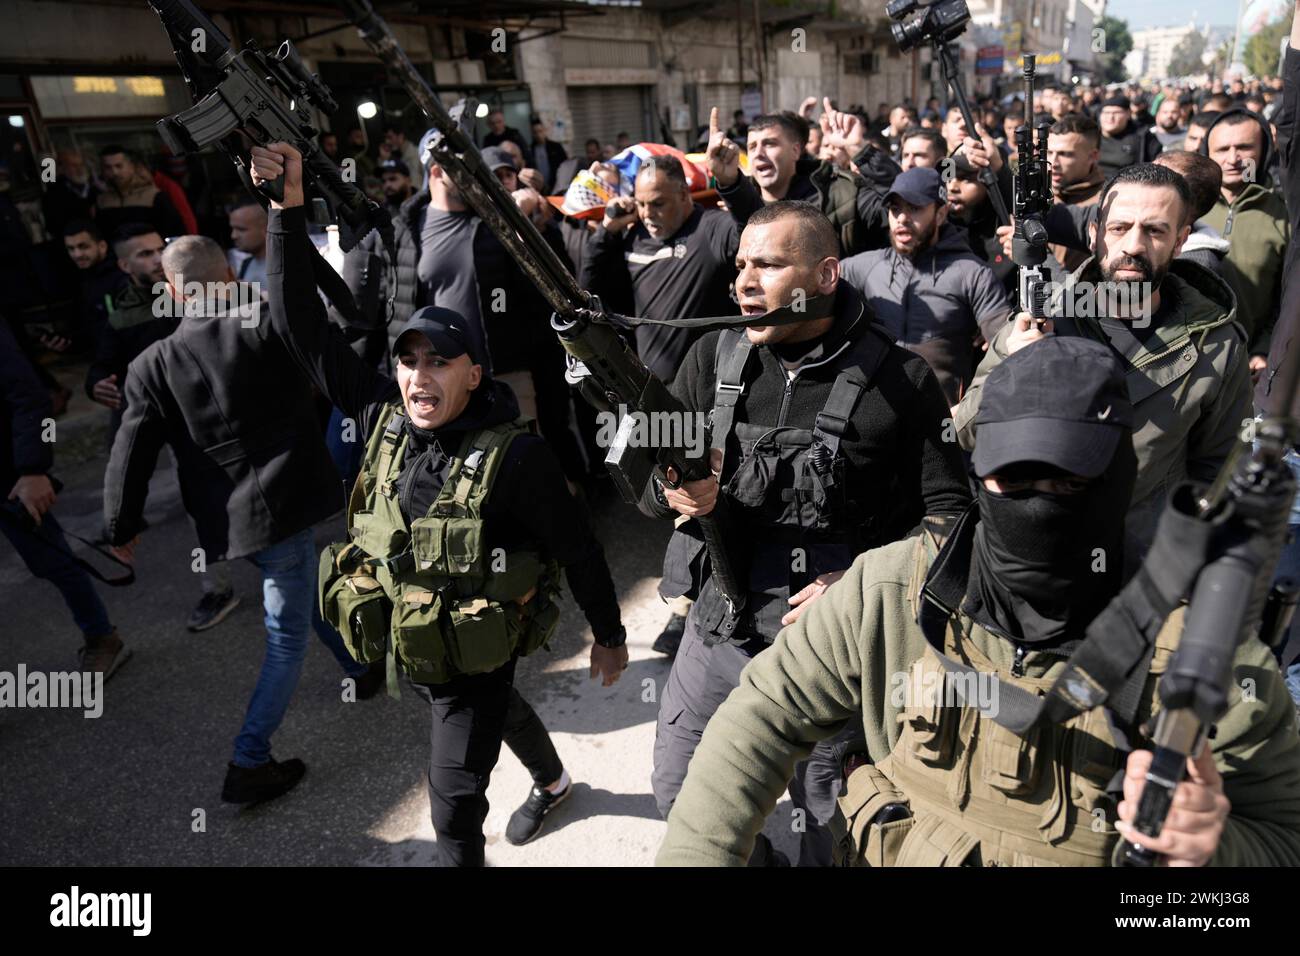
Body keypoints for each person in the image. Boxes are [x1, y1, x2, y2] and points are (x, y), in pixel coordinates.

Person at [656, 334, 1300, 867]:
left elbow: (1282, 837)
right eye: (1012, 477)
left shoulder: (1206, 658)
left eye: (1071, 478)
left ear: (1120, 476)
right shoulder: (889, 591)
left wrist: (1213, 848)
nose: (1039, 499)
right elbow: (762, 718)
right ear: (977, 473)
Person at [252, 140, 629, 864]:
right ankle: (552, 780)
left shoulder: (516, 455)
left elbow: (577, 544)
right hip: (413, 635)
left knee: (452, 810)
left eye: (438, 361)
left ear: (473, 372)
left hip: (472, 657)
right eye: (407, 359)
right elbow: (301, 323)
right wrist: (284, 210)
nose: (418, 374)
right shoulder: (382, 414)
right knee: (505, 711)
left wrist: (609, 635)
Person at [643, 200, 970, 866]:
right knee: (684, 797)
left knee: (830, 827)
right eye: (740, 265)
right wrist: (672, 488)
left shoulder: (901, 380)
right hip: (721, 627)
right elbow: (646, 486)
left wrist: (861, 582)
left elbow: (952, 514)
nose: (744, 282)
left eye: (768, 264)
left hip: (831, 651)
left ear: (824, 275)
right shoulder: (712, 357)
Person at [102, 233, 374, 806]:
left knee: (294, 587)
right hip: (283, 507)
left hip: (228, 526)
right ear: (227, 276)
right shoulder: (266, 320)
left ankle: (358, 665)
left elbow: (130, 453)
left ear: (173, 292)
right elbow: (342, 329)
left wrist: (120, 528)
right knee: (284, 638)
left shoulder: (151, 363)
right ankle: (249, 760)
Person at [957, 164, 1250, 565]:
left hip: (1140, 570)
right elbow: (966, 434)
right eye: (1119, 228)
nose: (1133, 245)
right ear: (1094, 233)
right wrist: (1015, 370)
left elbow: (1220, 469)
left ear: (1181, 240)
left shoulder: (1215, 345)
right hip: (1031, 561)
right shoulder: (1041, 316)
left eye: (1155, 230)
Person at [579, 154, 741, 657]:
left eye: (660, 204)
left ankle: (692, 606)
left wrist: (732, 182)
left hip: (706, 397)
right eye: (642, 204)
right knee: (662, 496)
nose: (649, 213)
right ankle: (693, 595)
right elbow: (587, 287)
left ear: (685, 196)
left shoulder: (713, 229)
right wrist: (607, 232)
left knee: (698, 494)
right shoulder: (631, 239)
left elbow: (755, 236)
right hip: (646, 398)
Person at [1, 321, 129, 677]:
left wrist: (32, 469)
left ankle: (101, 636)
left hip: (10, 477)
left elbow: (29, 396)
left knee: (52, 560)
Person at [839, 167, 1012, 406]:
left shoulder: (972, 274)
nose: (901, 219)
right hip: (876, 422)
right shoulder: (863, 267)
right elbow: (814, 288)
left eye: (914, 208)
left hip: (944, 425)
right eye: (895, 209)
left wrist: (969, 411)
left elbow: (1008, 351)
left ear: (941, 214)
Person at [707, 102, 900, 256]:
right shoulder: (735, 205)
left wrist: (860, 150)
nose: (758, 154)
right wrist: (731, 186)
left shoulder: (842, 193)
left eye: (769, 144)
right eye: (752, 146)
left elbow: (903, 206)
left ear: (796, 150)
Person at [1199, 107, 1289, 362]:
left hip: (1251, 366)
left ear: (1264, 151)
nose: (1233, 158)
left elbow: (1289, 298)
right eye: (1222, 149)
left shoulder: (1284, 215)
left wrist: (1265, 349)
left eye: (1244, 147)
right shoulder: (1186, 206)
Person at [62, 219, 128, 355]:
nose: (77, 254)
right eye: (71, 249)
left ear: (102, 246)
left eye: (83, 247)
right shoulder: (81, 281)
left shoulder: (121, 278)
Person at [94, 145, 186, 239]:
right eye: (108, 167)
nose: (114, 172)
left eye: (119, 166)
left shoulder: (154, 196)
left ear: (131, 166)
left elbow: (176, 232)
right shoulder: (101, 201)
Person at [1097, 95, 1162, 180]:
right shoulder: (1091, 136)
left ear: (1128, 114)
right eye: (1106, 113)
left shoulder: (1143, 136)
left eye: (1116, 113)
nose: (1110, 117)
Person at [227, 200, 268, 286]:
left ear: (266, 229)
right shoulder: (246, 264)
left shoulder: (289, 265)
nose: (233, 236)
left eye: (241, 229)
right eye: (233, 229)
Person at [529, 117, 567, 194]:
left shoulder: (555, 147)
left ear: (545, 130)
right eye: (535, 132)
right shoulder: (530, 150)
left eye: (540, 131)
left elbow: (566, 166)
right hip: (539, 189)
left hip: (557, 186)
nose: (538, 135)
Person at [379, 125, 424, 191]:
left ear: (400, 136)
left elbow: (415, 184)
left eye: (390, 137)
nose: (387, 142)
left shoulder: (416, 155)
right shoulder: (393, 157)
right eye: (385, 138)